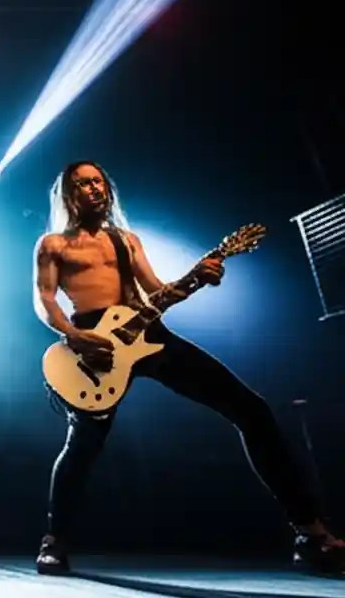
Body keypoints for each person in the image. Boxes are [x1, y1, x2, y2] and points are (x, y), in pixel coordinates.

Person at [32, 160, 344, 576]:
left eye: (98, 181)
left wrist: (199, 276)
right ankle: (55, 541)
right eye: (82, 183)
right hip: (93, 345)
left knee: (251, 409)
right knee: (83, 445)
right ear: (68, 194)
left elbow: (157, 290)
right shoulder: (53, 244)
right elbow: (45, 298)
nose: (93, 188)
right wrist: (73, 334)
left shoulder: (126, 240)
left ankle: (309, 532)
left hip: (148, 334)